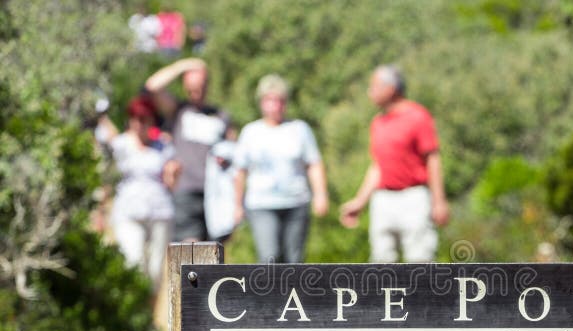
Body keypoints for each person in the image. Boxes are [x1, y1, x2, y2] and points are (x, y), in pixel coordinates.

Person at [340, 65, 449, 262]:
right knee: (381, 262)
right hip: (383, 200)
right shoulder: (378, 123)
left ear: (390, 89)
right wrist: (360, 201)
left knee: (420, 261)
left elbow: (432, 159)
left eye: (374, 86)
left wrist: (438, 201)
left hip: (413, 198)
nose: (370, 92)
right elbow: (378, 166)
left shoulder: (418, 117)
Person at [233, 74, 328, 263]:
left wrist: (321, 195)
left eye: (279, 100)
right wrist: (237, 205)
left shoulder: (299, 129)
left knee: (294, 260)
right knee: (270, 256)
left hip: (296, 202)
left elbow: (314, 164)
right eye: (270, 100)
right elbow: (240, 171)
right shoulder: (251, 132)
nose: (275, 106)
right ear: (261, 102)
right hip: (262, 204)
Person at [99, 95, 179, 290]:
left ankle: (149, 309)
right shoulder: (120, 145)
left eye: (144, 119)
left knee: (155, 271)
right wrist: (101, 210)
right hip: (128, 212)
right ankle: (135, 306)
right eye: (136, 119)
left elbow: (171, 181)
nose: (140, 124)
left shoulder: (163, 146)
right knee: (134, 263)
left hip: (159, 212)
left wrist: (173, 174)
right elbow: (106, 177)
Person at [145, 57, 229, 242]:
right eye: (191, 87)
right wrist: (184, 65)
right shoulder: (179, 110)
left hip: (215, 193)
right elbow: (152, 86)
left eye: (199, 86)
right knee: (190, 247)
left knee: (215, 250)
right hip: (186, 190)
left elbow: (231, 151)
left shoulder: (220, 115)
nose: (196, 92)